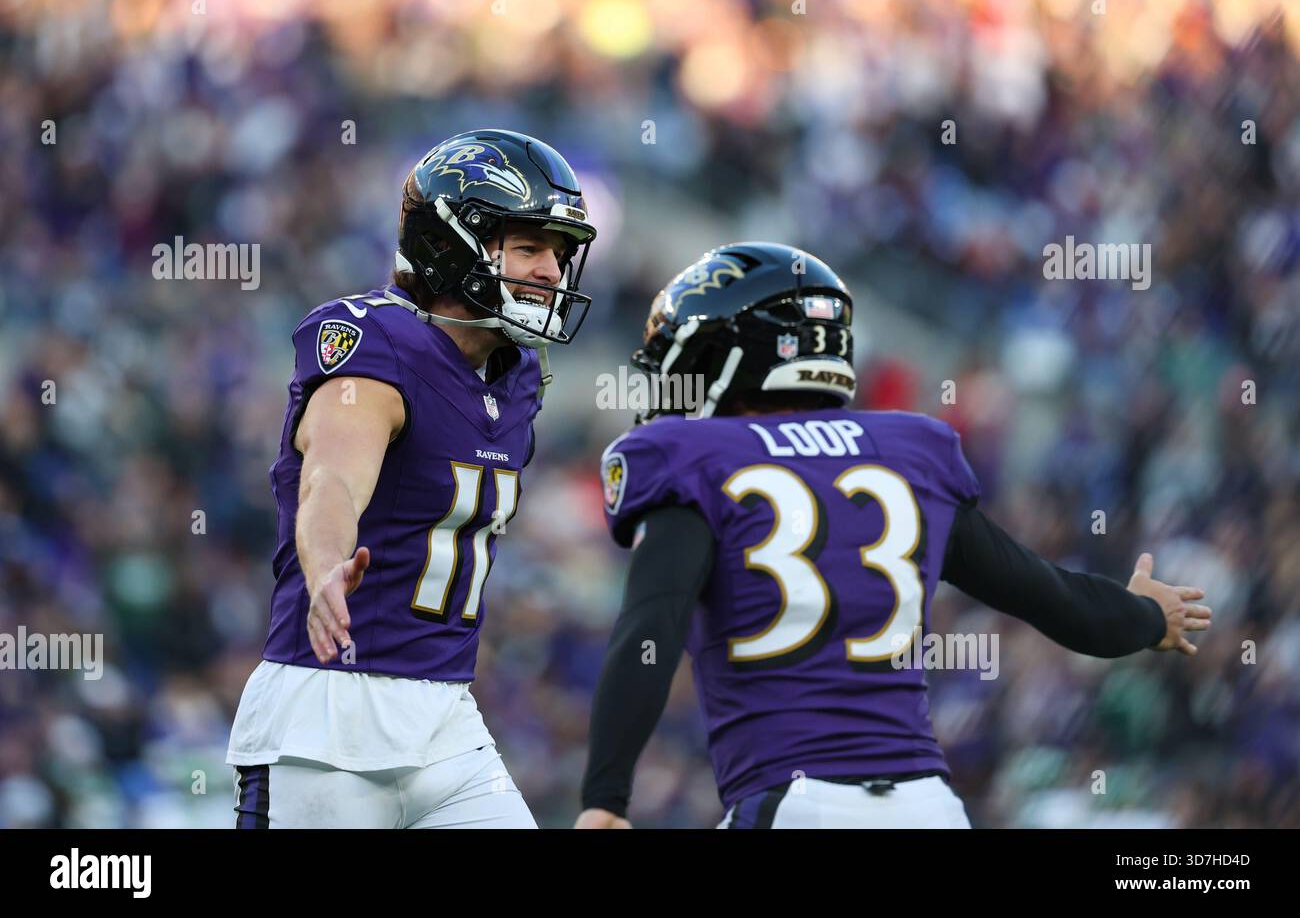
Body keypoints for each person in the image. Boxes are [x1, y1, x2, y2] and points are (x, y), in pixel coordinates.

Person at [576, 242, 1210, 829]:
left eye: (688, 362)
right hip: (930, 808)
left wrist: (604, 797)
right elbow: (1054, 599)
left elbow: (648, 631)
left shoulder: (693, 459)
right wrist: (1145, 616)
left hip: (795, 803)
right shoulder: (907, 454)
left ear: (736, 360)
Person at [227, 129, 598, 828]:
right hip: (327, 710)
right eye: (529, 247)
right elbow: (332, 479)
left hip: (446, 719)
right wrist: (328, 566)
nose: (551, 270)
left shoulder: (518, 377)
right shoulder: (375, 342)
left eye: (559, 252)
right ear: (452, 244)